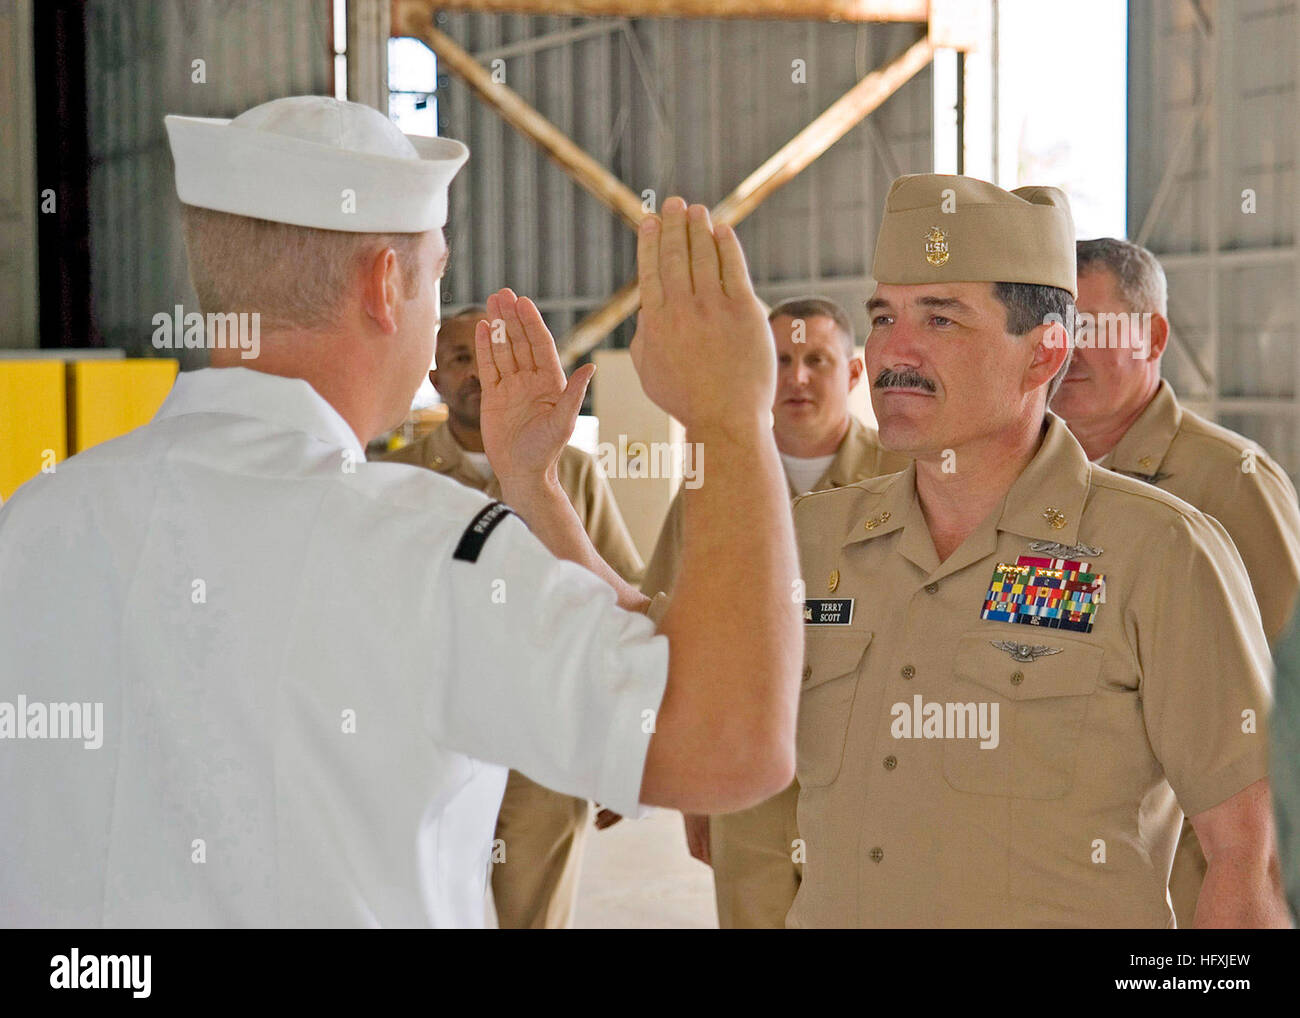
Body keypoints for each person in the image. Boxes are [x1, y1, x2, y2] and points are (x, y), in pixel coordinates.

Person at [0, 96, 802, 927]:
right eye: (437, 275)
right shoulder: (430, 549)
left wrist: (535, 489)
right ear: (387, 286)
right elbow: (729, 744)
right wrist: (729, 417)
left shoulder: (32, 524)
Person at [788, 173, 1288, 928]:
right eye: (884, 315)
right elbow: (635, 659)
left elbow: (1248, 856)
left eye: (941, 318)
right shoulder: (814, 539)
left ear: (1043, 355)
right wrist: (543, 490)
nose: (896, 349)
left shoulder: (1160, 554)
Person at [1050, 236, 1300, 927]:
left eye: (1089, 326)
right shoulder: (1032, 486)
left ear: (1153, 334)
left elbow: (1286, 701)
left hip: (1199, 881)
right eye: (1054, 327)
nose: (1066, 350)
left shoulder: (1230, 482)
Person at [642, 295, 907, 928]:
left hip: (875, 779)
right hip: (747, 775)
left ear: (851, 373)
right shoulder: (714, 487)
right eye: (781, 360)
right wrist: (690, 785)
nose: (797, 378)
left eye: (816, 359)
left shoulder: (907, 480)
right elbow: (671, 626)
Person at [380, 305, 643, 929]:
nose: (476, 372)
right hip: (427, 739)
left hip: (544, 743)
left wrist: (615, 739)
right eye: (460, 359)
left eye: (489, 355)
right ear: (436, 379)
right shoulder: (393, 481)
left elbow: (621, 595)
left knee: (535, 917)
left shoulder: (570, 473)